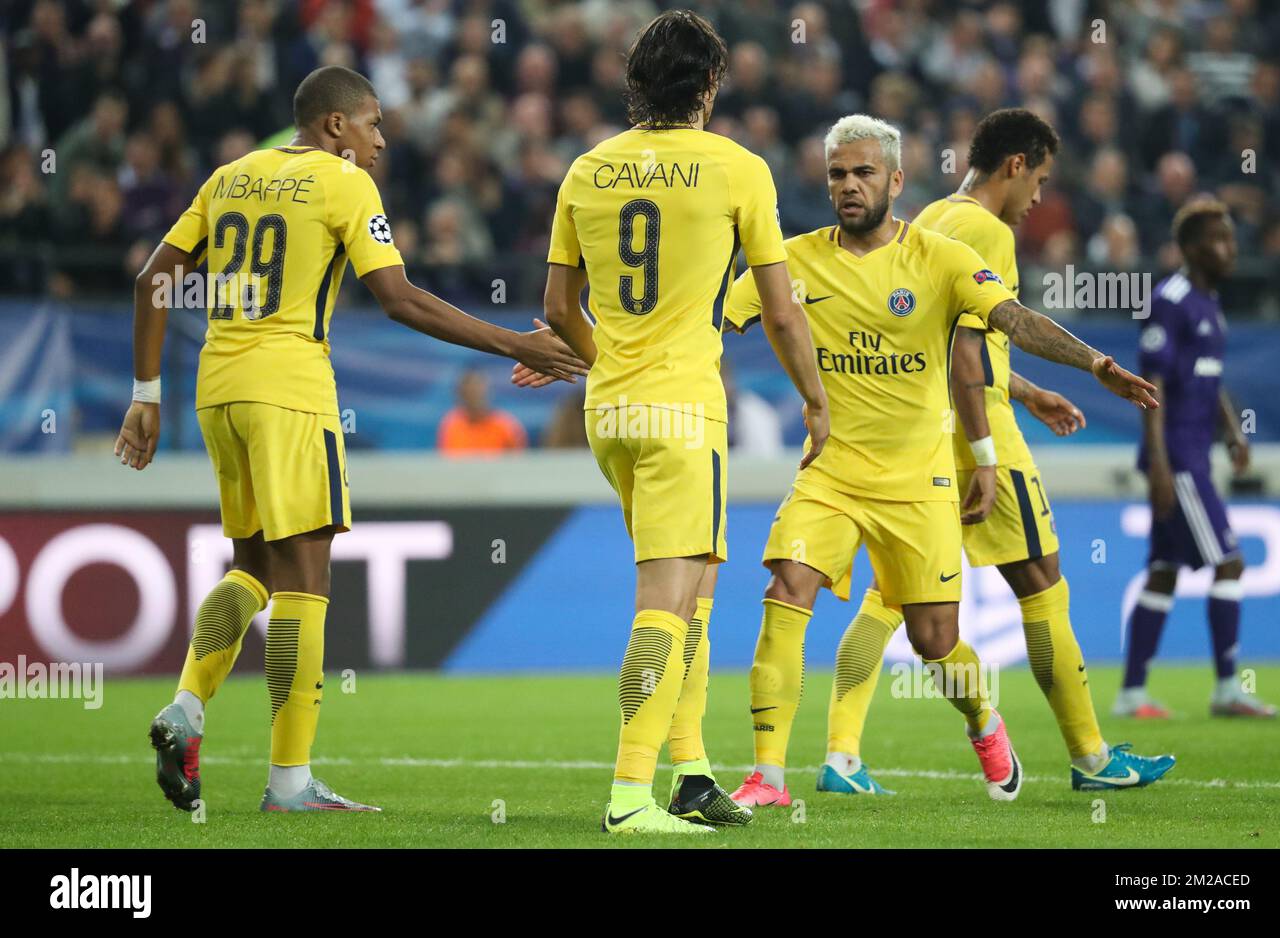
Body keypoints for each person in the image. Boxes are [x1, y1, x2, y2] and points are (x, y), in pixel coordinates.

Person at [115, 65, 585, 814]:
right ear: (335, 126)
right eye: (372, 123)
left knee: (254, 568)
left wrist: (145, 396)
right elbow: (398, 299)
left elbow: (152, 280)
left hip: (219, 391)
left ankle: (188, 707)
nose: (381, 140)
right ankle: (290, 783)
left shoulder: (229, 177)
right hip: (293, 392)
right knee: (307, 580)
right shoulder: (343, 183)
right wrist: (512, 344)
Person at [719, 113, 1160, 809]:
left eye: (864, 172)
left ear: (896, 180)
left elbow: (1012, 323)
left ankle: (984, 720)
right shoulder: (792, 259)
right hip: (830, 471)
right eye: (838, 174)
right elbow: (713, 320)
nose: (849, 186)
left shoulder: (941, 257)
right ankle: (767, 776)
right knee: (786, 588)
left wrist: (1095, 363)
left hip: (920, 481)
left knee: (933, 641)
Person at [525, 9, 829, 834]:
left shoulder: (587, 168)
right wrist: (813, 398)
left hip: (609, 411)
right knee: (665, 602)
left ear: (634, 86)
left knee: (694, 590)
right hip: (683, 411)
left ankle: (690, 773)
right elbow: (780, 310)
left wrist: (601, 361)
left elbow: (557, 305)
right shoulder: (738, 169)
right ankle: (630, 796)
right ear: (710, 86)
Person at [1117, 198, 1278, 720]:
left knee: (1164, 571)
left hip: (1194, 456)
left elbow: (1209, 378)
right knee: (1229, 562)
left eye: (1230, 238)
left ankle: (1131, 694)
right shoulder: (1171, 300)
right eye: (1217, 239)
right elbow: (1153, 385)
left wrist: (1231, 432)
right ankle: (1228, 689)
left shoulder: (1209, 303)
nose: (1229, 248)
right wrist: (1160, 464)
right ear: (1189, 248)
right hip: (1178, 461)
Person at [437, 369, 528, 456]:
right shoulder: (451, 424)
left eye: (478, 389)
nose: (475, 394)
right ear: (461, 394)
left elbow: (517, 463)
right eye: (470, 391)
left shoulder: (506, 426)